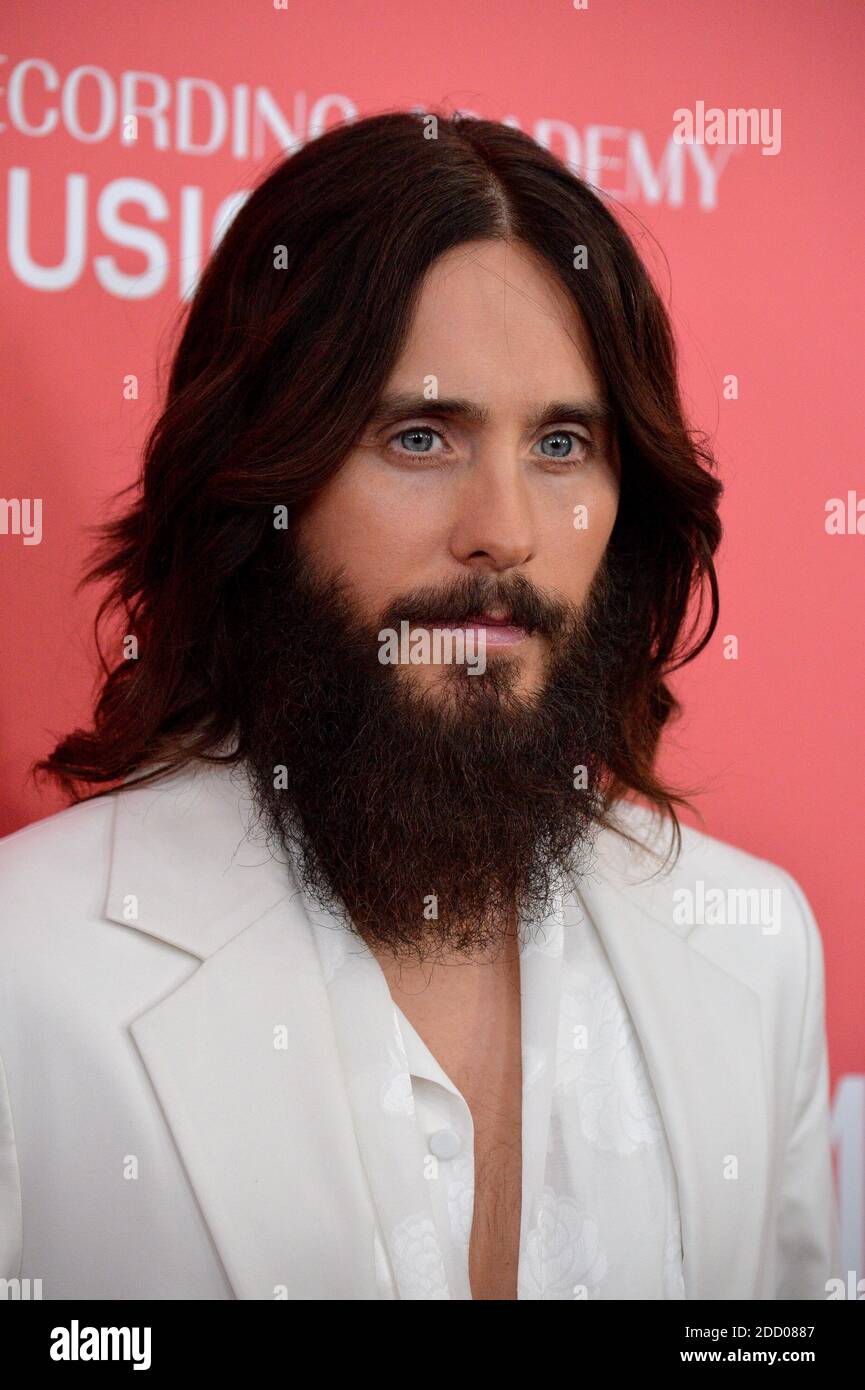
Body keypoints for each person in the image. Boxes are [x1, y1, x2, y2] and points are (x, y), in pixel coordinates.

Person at [0, 111, 838, 1300]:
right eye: (420, 433)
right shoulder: (24, 971)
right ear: (262, 485)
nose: (503, 526)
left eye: (560, 443)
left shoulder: (756, 949)